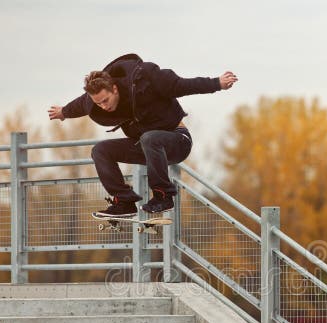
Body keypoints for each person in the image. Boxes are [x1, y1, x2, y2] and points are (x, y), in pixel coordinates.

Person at [48, 53, 237, 218]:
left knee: (150, 138)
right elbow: (81, 104)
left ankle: (163, 196)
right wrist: (63, 112)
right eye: (99, 104)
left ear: (115, 88)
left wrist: (217, 83)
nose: (104, 107)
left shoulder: (146, 78)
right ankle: (124, 202)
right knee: (101, 150)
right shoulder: (95, 100)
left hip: (177, 140)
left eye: (106, 100)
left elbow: (183, 85)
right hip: (147, 146)